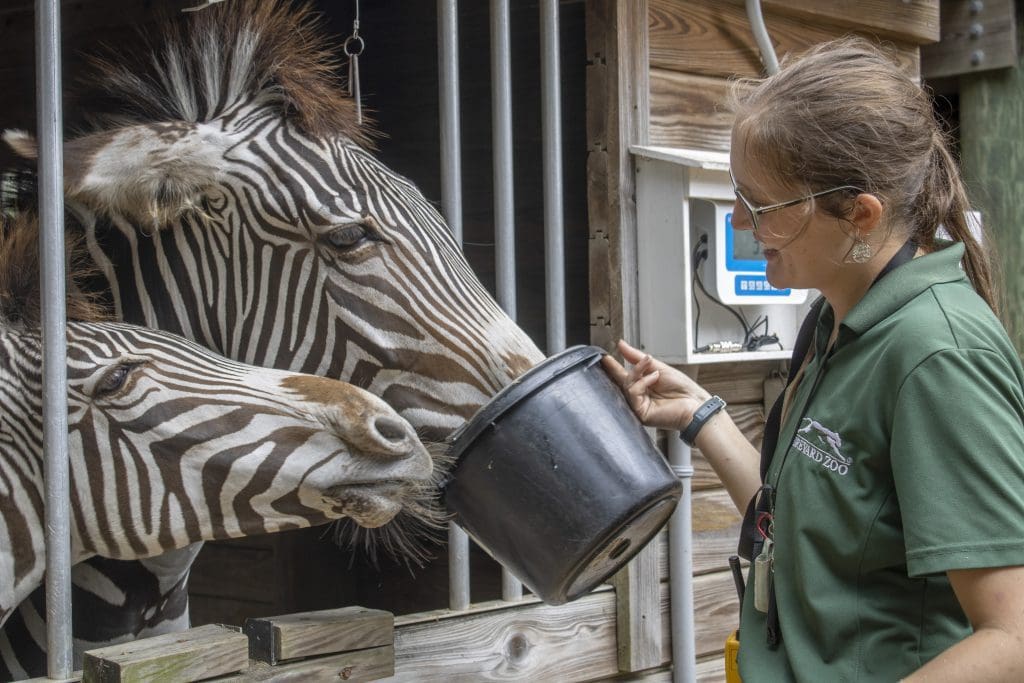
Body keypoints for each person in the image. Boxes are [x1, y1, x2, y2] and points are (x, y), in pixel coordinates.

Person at [602, 37, 1024, 682]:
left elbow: (1010, 636)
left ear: (858, 215)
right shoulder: (835, 316)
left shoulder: (936, 355)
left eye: (761, 205)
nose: (739, 222)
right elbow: (792, 527)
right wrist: (702, 416)